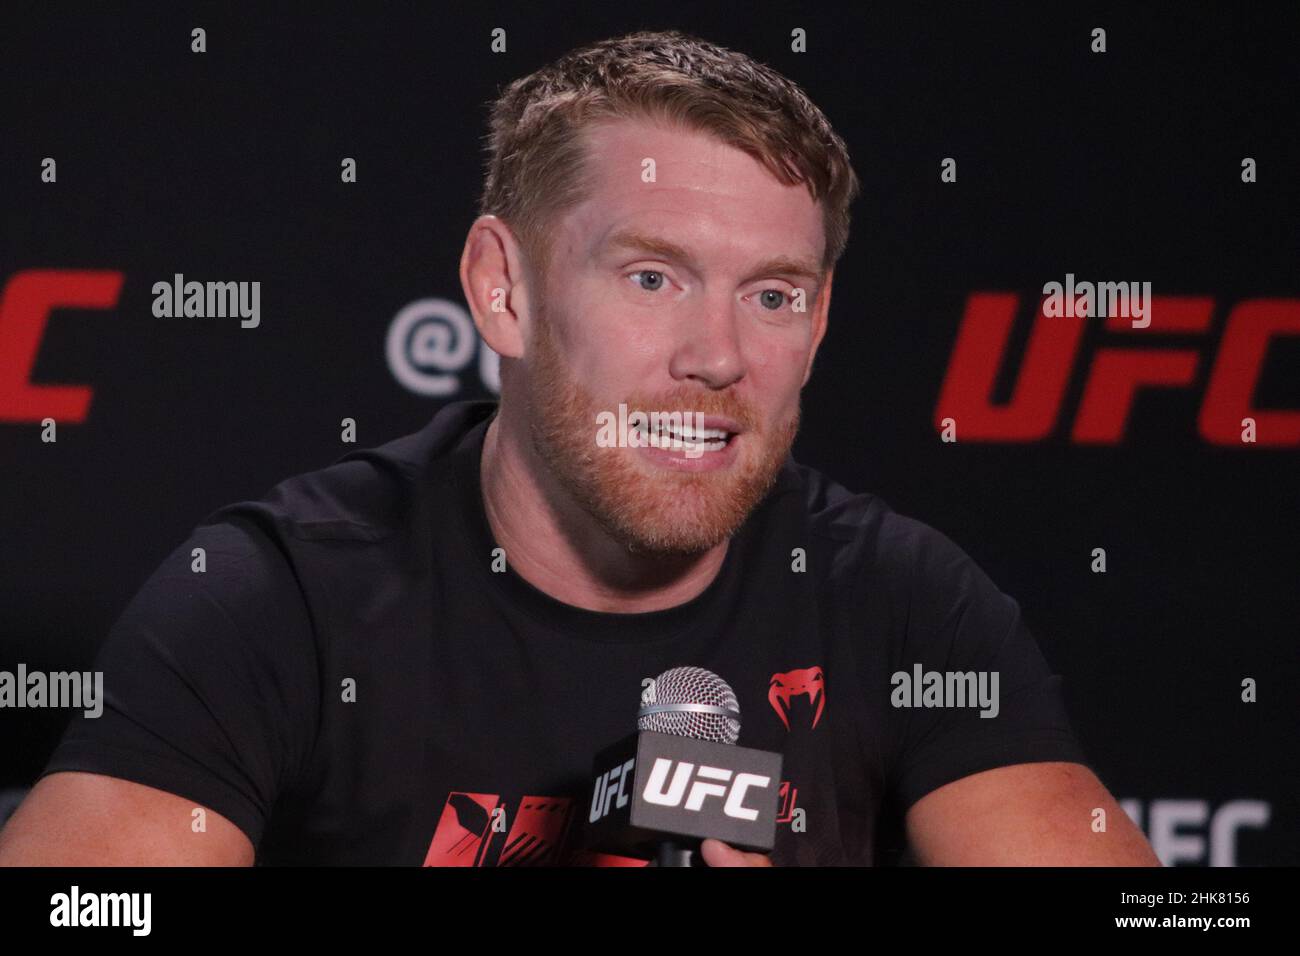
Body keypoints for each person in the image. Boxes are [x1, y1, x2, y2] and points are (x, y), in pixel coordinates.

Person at [0, 30, 1158, 867]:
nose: (717, 356)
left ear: (816, 328)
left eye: (773, 294)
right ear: (502, 291)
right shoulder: (282, 595)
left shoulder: (900, 600)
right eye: (651, 277)